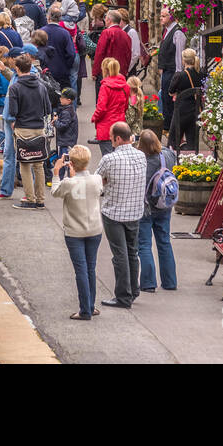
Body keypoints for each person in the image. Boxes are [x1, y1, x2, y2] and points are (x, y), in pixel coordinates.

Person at [95, 122, 144, 309]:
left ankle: (123, 296)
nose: (109, 139)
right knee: (132, 251)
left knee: (120, 255)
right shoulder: (141, 156)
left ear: (117, 138)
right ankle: (133, 289)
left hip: (114, 212)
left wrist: (107, 182)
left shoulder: (109, 159)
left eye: (110, 136)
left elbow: (96, 182)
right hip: (134, 211)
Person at [51, 144, 104, 320]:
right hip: (94, 229)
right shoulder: (96, 179)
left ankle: (85, 310)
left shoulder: (68, 183)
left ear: (71, 163)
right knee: (91, 268)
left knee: (80, 269)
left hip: (74, 231)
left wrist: (56, 173)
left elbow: (55, 192)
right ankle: (90, 305)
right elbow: (92, 191)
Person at [6, 53, 51, 210]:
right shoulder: (41, 86)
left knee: (24, 164)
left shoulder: (15, 87)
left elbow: (13, 111)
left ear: (17, 68)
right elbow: (47, 108)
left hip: (23, 127)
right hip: (39, 127)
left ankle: (30, 198)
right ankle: (40, 199)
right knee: (38, 164)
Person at [136, 130, 178, 293]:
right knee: (164, 242)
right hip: (165, 204)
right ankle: (170, 281)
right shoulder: (167, 156)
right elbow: (168, 151)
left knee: (144, 245)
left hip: (146, 207)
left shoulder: (142, 161)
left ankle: (148, 283)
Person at [167, 47, 203, 151]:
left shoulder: (180, 75)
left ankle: (174, 161)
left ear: (183, 61)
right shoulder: (201, 74)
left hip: (181, 111)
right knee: (192, 142)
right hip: (195, 111)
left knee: (173, 140)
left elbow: (170, 92)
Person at [156, 6, 187, 126]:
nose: (161, 18)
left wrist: (178, 76)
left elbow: (179, 56)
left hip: (172, 72)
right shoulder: (167, 30)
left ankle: (170, 127)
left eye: (164, 16)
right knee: (164, 98)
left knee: (169, 100)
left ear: (172, 17)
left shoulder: (178, 33)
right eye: (161, 16)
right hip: (166, 71)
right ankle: (167, 125)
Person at [91, 57, 128, 156]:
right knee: (119, 158)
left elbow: (101, 108)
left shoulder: (105, 87)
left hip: (106, 128)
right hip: (120, 126)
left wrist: (94, 117)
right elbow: (126, 106)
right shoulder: (125, 86)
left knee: (107, 158)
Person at [41, 4, 77, 89]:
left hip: (45, 70)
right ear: (60, 18)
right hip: (62, 71)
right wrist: (66, 66)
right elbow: (71, 53)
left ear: (48, 17)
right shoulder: (65, 33)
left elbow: (37, 51)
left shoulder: (41, 32)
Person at [94, 9, 132, 76]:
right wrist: (125, 70)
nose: (105, 20)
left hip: (107, 71)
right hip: (120, 72)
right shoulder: (126, 35)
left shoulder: (106, 33)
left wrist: (95, 71)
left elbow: (100, 52)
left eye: (105, 18)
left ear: (109, 20)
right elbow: (128, 54)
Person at [55, 87, 79, 164]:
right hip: (67, 142)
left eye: (62, 98)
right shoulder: (68, 109)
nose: (60, 99)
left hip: (66, 144)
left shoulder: (66, 112)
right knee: (65, 162)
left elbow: (62, 126)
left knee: (65, 163)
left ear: (69, 100)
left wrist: (56, 122)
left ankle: (65, 176)